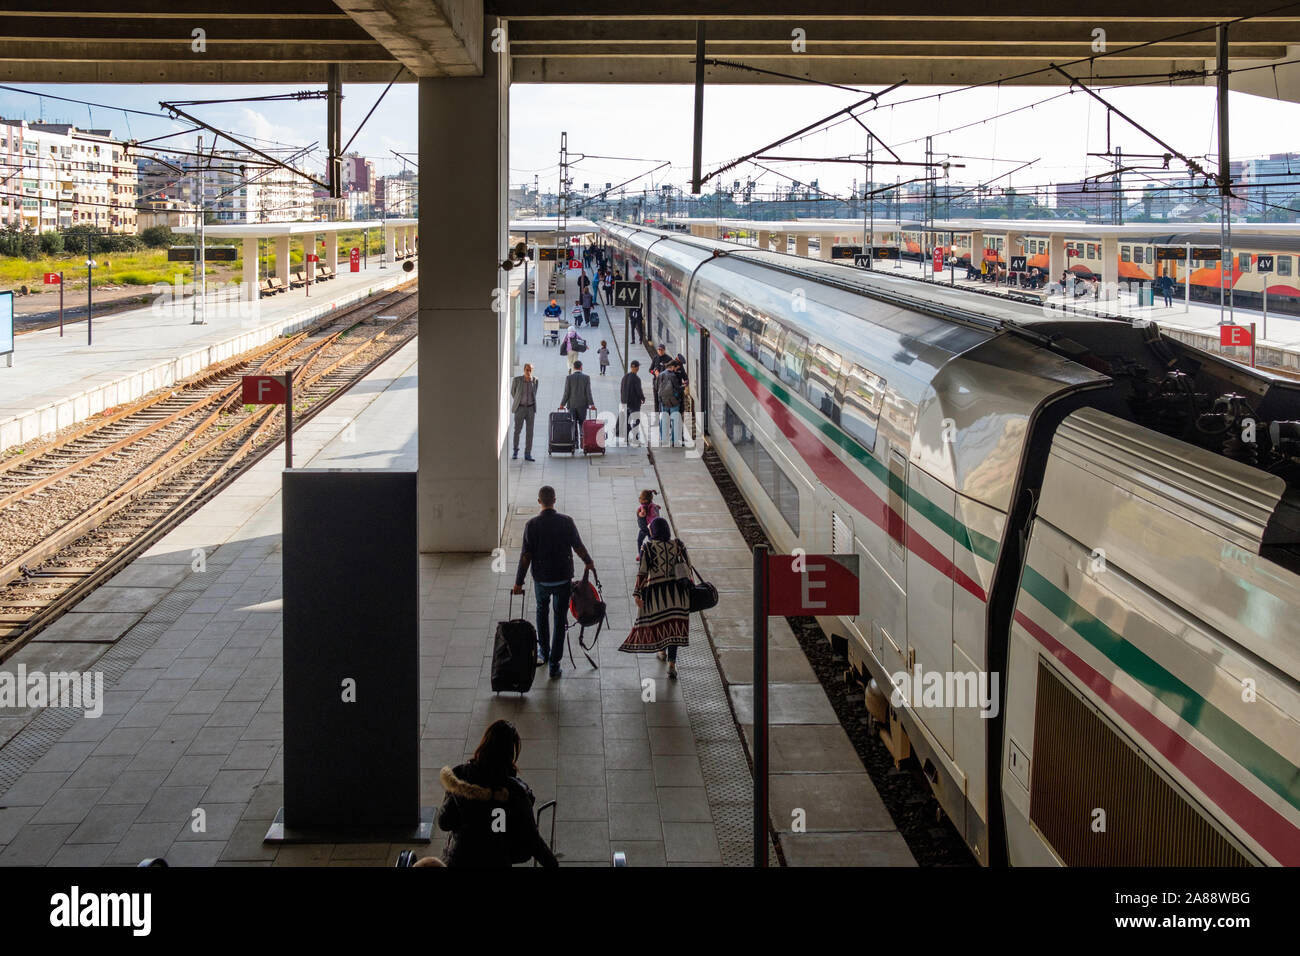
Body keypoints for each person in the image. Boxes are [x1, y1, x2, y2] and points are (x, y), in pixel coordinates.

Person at [438, 719, 558, 867]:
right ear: (510, 753)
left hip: (459, 860)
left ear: (484, 744)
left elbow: (444, 822)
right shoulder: (513, 791)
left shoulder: (459, 778)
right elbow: (532, 839)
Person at [512, 485, 596, 677]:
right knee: (559, 619)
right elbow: (578, 546)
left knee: (542, 613)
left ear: (539, 501)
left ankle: (544, 652)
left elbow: (526, 556)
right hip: (562, 579)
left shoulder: (531, 525)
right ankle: (555, 665)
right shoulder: (566, 522)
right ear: (555, 500)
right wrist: (588, 562)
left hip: (542, 580)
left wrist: (519, 582)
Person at [619, 517, 692, 680]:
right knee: (674, 627)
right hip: (679, 594)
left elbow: (643, 572)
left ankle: (662, 651)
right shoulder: (678, 544)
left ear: (654, 531)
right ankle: (672, 664)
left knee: (661, 623)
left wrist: (637, 592)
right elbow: (688, 566)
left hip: (657, 594)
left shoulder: (648, 547)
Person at [559, 360, 596, 440]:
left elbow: (566, 393)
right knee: (582, 423)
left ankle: (575, 442)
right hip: (582, 405)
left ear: (574, 367)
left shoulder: (569, 378)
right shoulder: (586, 377)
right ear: (581, 367)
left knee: (573, 423)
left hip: (571, 405)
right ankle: (583, 441)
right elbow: (588, 392)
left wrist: (562, 404)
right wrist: (592, 404)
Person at [510, 363, 538, 461]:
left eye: (530, 370)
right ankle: (515, 451)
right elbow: (513, 392)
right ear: (524, 370)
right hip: (520, 409)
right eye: (527, 370)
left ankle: (528, 453)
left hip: (530, 409)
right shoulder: (517, 380)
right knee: (517, 430)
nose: (528, 372)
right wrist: (518, 401)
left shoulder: (535, 380)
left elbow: (535, 393)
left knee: (530, 432)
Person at [657, 361, 682, 447]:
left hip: (663, 401)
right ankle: (674, 441)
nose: (675, 370)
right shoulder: (673, 376)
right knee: (674, 420)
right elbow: (677, 388)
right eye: (675, 368)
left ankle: (663, 439)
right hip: (673, 402)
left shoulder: (660, 375)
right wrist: (682, 387)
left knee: (663, 420)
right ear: (672, 367)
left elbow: (657, 387)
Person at [620, 359, 645, 444]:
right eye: (638, 367)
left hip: (625, 403)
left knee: (627, 420)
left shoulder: (625, 377)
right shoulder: (636, 378)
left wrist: (623, 401)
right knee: (636, 420)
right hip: (634, 403)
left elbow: (621, 390)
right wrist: (642, 398)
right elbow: (638, 390)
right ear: (637, 368)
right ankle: (635, 438)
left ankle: (626, 438)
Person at [635, 489, 660, 558]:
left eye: (641, 499)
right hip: (643, 528)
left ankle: (655, 554)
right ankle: (640, 554)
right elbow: (642, 507)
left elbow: (654, 517)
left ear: (646, 500)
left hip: (649, 529)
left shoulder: (651, 508)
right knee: (639, 540)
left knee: (652, 541)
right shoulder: (645, 505)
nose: (640, 500)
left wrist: (651, 526)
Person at [649, 343, 669, 414]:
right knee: (656, 400)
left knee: (663, 400)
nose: (660, 351)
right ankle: (657, 417)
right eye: (659, 350)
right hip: (656, 383)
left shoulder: (668, 359)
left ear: (664, 350)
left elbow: (671, 370)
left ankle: (663, 416)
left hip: (664, 383)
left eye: (661, 350)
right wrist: (654, 372)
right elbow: (650, 369)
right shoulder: (655, 358)